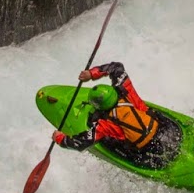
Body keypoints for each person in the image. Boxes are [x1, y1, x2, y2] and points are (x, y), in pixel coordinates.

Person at [53, 62, 182, 169]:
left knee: (107, 141)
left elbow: (80, 143)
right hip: (171, 131)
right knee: (152, 114)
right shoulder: (125, 89)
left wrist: (60, 139)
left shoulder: (104, 124)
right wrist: (91, 74)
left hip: (153, 154)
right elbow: (116, 67)